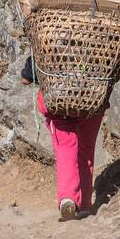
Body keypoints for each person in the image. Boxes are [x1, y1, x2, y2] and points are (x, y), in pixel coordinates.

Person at [21, 55, 105, 221]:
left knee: (66, 149)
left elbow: (26, 79)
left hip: (59, 103)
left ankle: (69, 198)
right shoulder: (102, 42)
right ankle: (85, 204)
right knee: (86, 149)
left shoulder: (48, 38)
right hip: (93, 99)